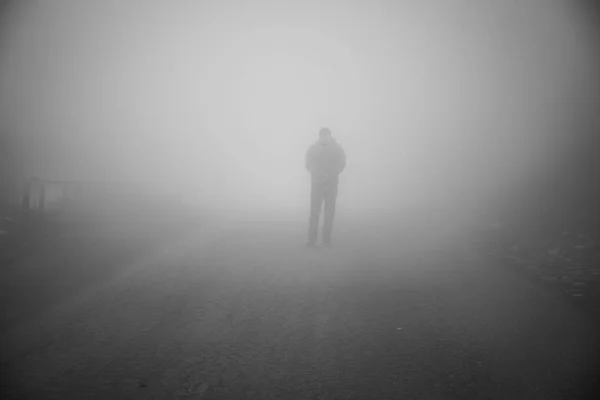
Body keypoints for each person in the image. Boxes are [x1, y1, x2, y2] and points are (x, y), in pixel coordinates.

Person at [305, 127, 346, 247]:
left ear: (329, 136)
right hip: (317, 184)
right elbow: (308, 164)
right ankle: (312, 240)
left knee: (329, 213)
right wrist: (319, 173)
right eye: (322, 136)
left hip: (331, 184)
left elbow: (342, 163)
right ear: (319, 136)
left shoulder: (337, 149)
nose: (324, 138)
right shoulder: (313, 149)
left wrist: (331, 173)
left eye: (326, 136)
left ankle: (326, 240)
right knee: (314, 213)